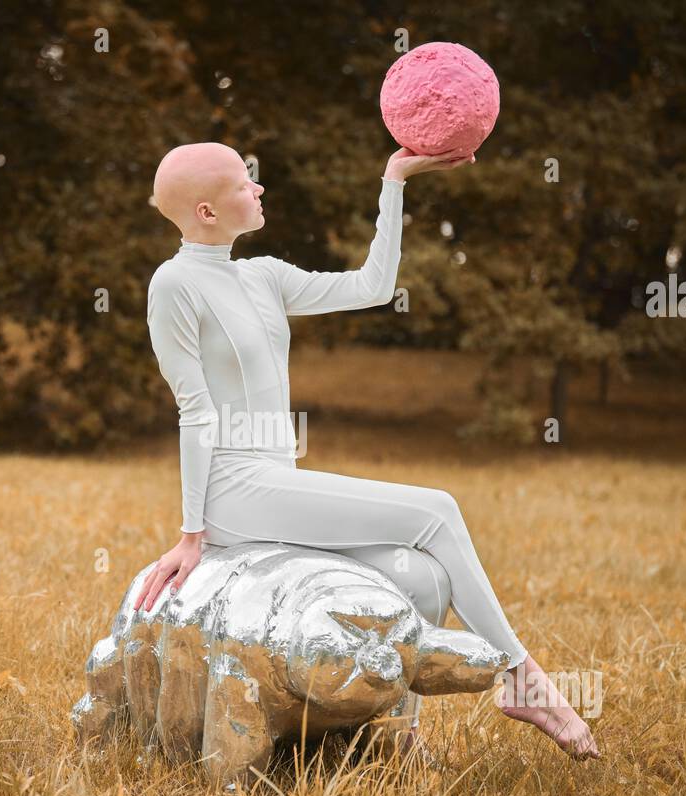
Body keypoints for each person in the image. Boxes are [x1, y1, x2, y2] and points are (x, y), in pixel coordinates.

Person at [135, 141, 599, 761]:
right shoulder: (173, 285)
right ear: (207, 213)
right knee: (436, 510)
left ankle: (392, 738)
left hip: (276, 483)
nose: (260, 189)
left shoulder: (262, 275)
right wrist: (192, 533)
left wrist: (395, 179)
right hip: (234, 491)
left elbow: (374, 287)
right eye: (247, 183)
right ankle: (523, 677)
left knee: (422, 576)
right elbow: (195, 413)